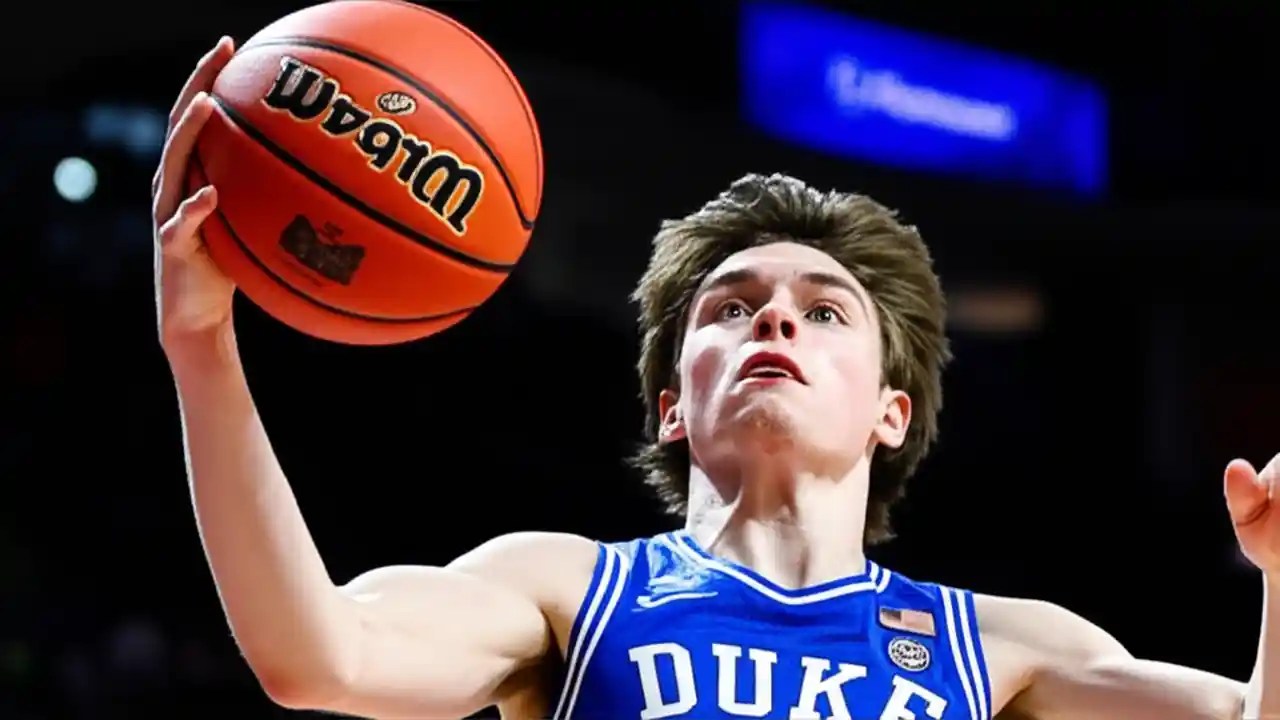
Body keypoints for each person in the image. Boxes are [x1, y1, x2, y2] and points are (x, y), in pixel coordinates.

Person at [155, 39, 1280, 720]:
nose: (774, 316)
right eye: (730, 308)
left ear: (892, 411)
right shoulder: (562, 591)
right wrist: (203, 348)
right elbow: (319, 659)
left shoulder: (1000, 647)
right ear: (671, 404)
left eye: (822, 310)